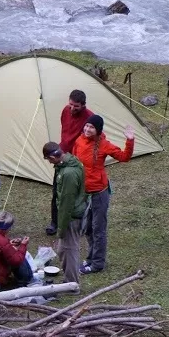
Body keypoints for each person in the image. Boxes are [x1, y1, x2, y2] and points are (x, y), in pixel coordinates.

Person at [72, 115, 135, 274]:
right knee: (87, 228)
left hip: (99, 193)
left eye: (91, 127)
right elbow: (74, 161)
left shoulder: (103, 145)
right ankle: (92, 256)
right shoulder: (79, 141)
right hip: (84, 193)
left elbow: (124, 157)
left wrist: (130, 140)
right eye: (86, 126)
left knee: (98, 229)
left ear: (98, 130)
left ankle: (98, 263)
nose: (87, 129)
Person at [47, 90, 93, 235]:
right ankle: (54, 222)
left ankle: (79, 221)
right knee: (57, 191)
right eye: (71, 104)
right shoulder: (65, 111)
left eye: (76, 106)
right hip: (62, 156)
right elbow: (65, 131)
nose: (72, 108)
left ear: (83, 105)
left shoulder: (89, 117)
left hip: (76, 161)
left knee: (76, 193)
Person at [42, 141, 87, 283]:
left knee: (70, 251)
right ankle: (68, 278)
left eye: (48, 160)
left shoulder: (68, 173)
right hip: (71, 214)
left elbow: (66, 203)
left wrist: (61, 227)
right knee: (63, 249)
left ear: (53, 157)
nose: (49, 163)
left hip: (71, 218)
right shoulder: (67, 165)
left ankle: (72, 284)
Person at [0, 211, 33, 289]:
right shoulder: (2, 242)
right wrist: (23, 245)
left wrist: (9, 244)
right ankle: (22, 283)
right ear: (7, 228)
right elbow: (16, 261)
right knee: (20, 257)